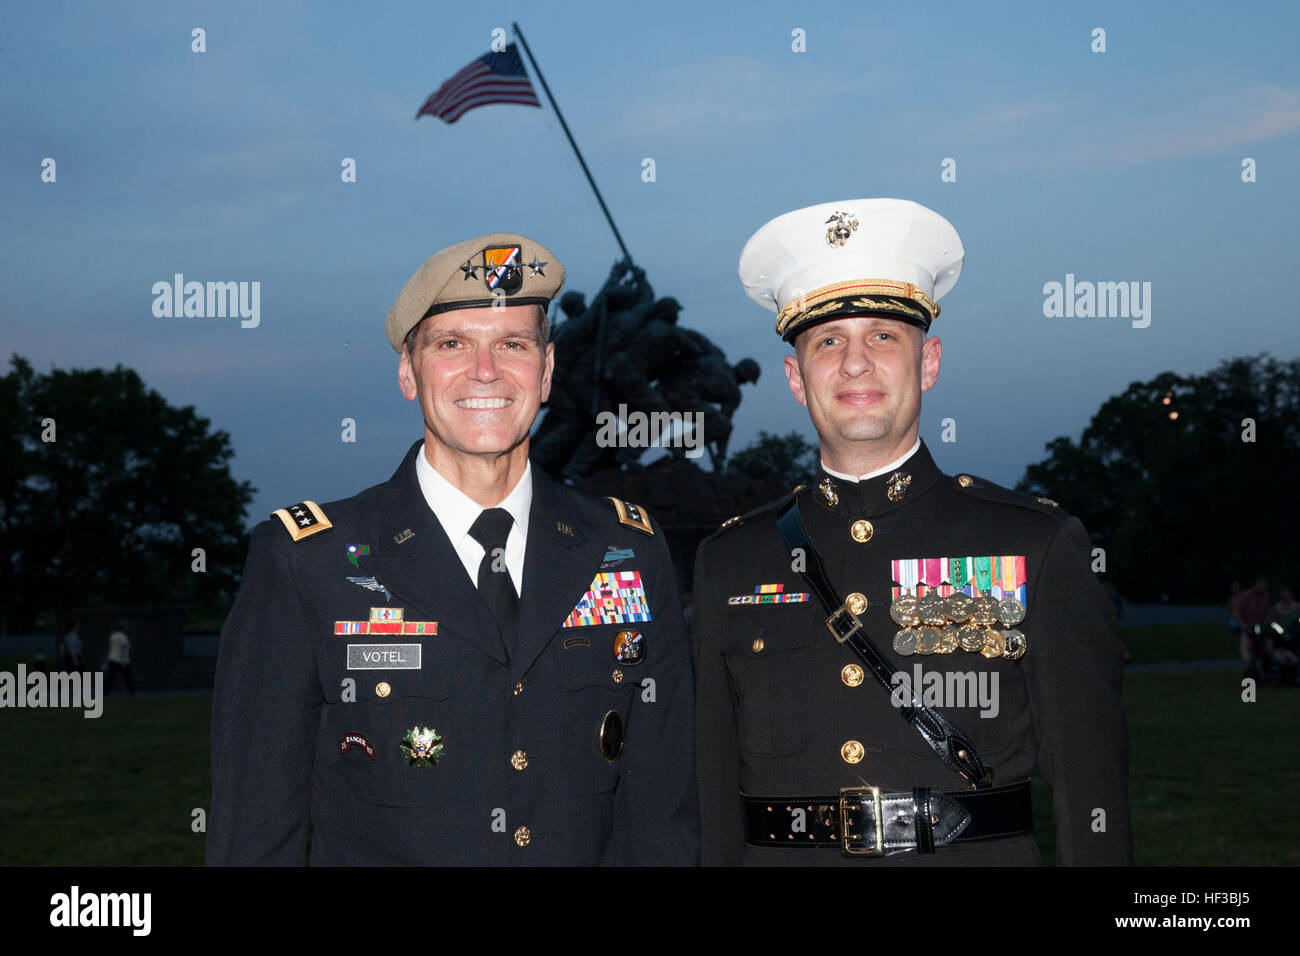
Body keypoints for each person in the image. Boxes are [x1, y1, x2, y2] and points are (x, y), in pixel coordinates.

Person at [206, 233, 698, 865]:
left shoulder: (626, 548)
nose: (485, 370)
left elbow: (662, 814)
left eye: (512, 344)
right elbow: (254, 830)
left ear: (546, 372)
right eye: (452, 344)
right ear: (409, 373)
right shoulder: (309, 561)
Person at [693, 199, 1132, 865]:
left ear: (928, 363)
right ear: (794, 377)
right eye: (828, 342)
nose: (856, 365)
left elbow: (1090, 790)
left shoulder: (1034, 546)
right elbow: (712, 801)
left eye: (883, 338)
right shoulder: (730, 560)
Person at [104, 619, 134, 695]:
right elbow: (123, 649)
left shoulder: (113, 635)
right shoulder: (123, 637)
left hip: (112, 658)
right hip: (122, 660)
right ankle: (131, 691)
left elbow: (110, 647)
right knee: (128, 677)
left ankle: (106, 692)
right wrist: (123, 660)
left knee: (110, 677)